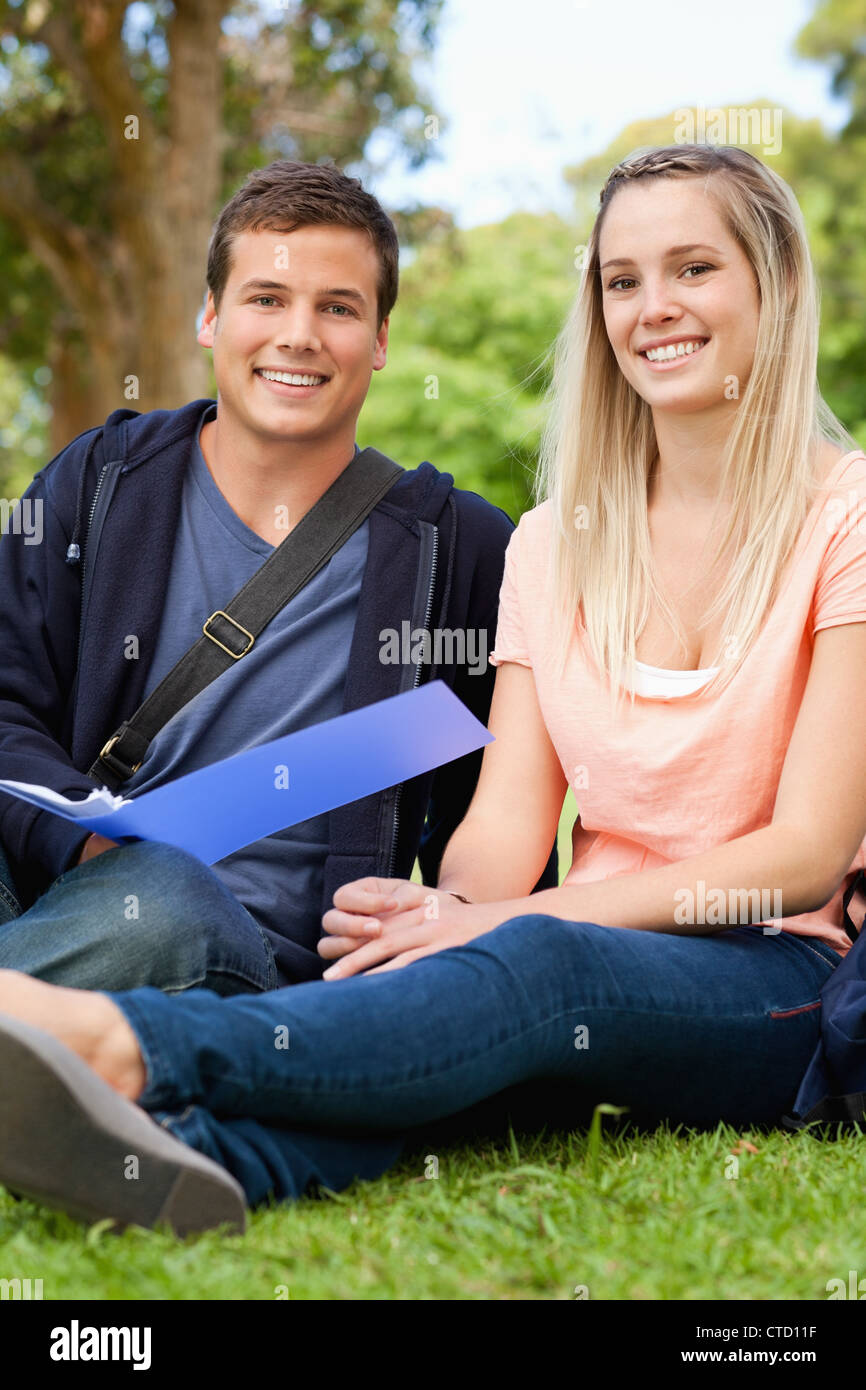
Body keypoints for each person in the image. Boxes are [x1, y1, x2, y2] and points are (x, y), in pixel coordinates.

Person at [1, 142, 865, 1237]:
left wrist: (505, 922)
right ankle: (178, 1163)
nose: (654, 307)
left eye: (692, 269)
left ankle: (113, 1046)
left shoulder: (845, 515)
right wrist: (441, 909)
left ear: (776, 286)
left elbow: (804, 850)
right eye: (621, 279)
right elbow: (502, 824)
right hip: (571, 954)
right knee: (439, 1049)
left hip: (769, 962)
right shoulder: (554, 546)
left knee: (524, 965)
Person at [0, 159, 555, 996]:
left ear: (379, 341)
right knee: (138, 888)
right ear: (211, 318)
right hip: (58, 890)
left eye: (338, 308)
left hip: (243, 964)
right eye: (267, 299)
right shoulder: (103, 481)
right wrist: (88, 844)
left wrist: (447, 940)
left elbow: (505, 815)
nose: (299, 334)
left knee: (166, 898)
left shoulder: (457, 548)